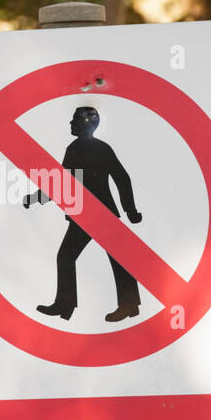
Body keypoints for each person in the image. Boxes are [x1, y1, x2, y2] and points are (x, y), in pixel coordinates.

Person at [27, 106, 142, 322]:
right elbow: (61, 183)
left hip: (97, 213)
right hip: (87, 214)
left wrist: (130, 210)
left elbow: (121, 177)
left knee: (113, 257)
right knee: (72, 256)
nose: (71, 124)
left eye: (74, 120)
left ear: (85, 123)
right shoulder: (77, 149)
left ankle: (125, 305)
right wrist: (35, 198)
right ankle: (67, 304)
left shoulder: (91, 148)